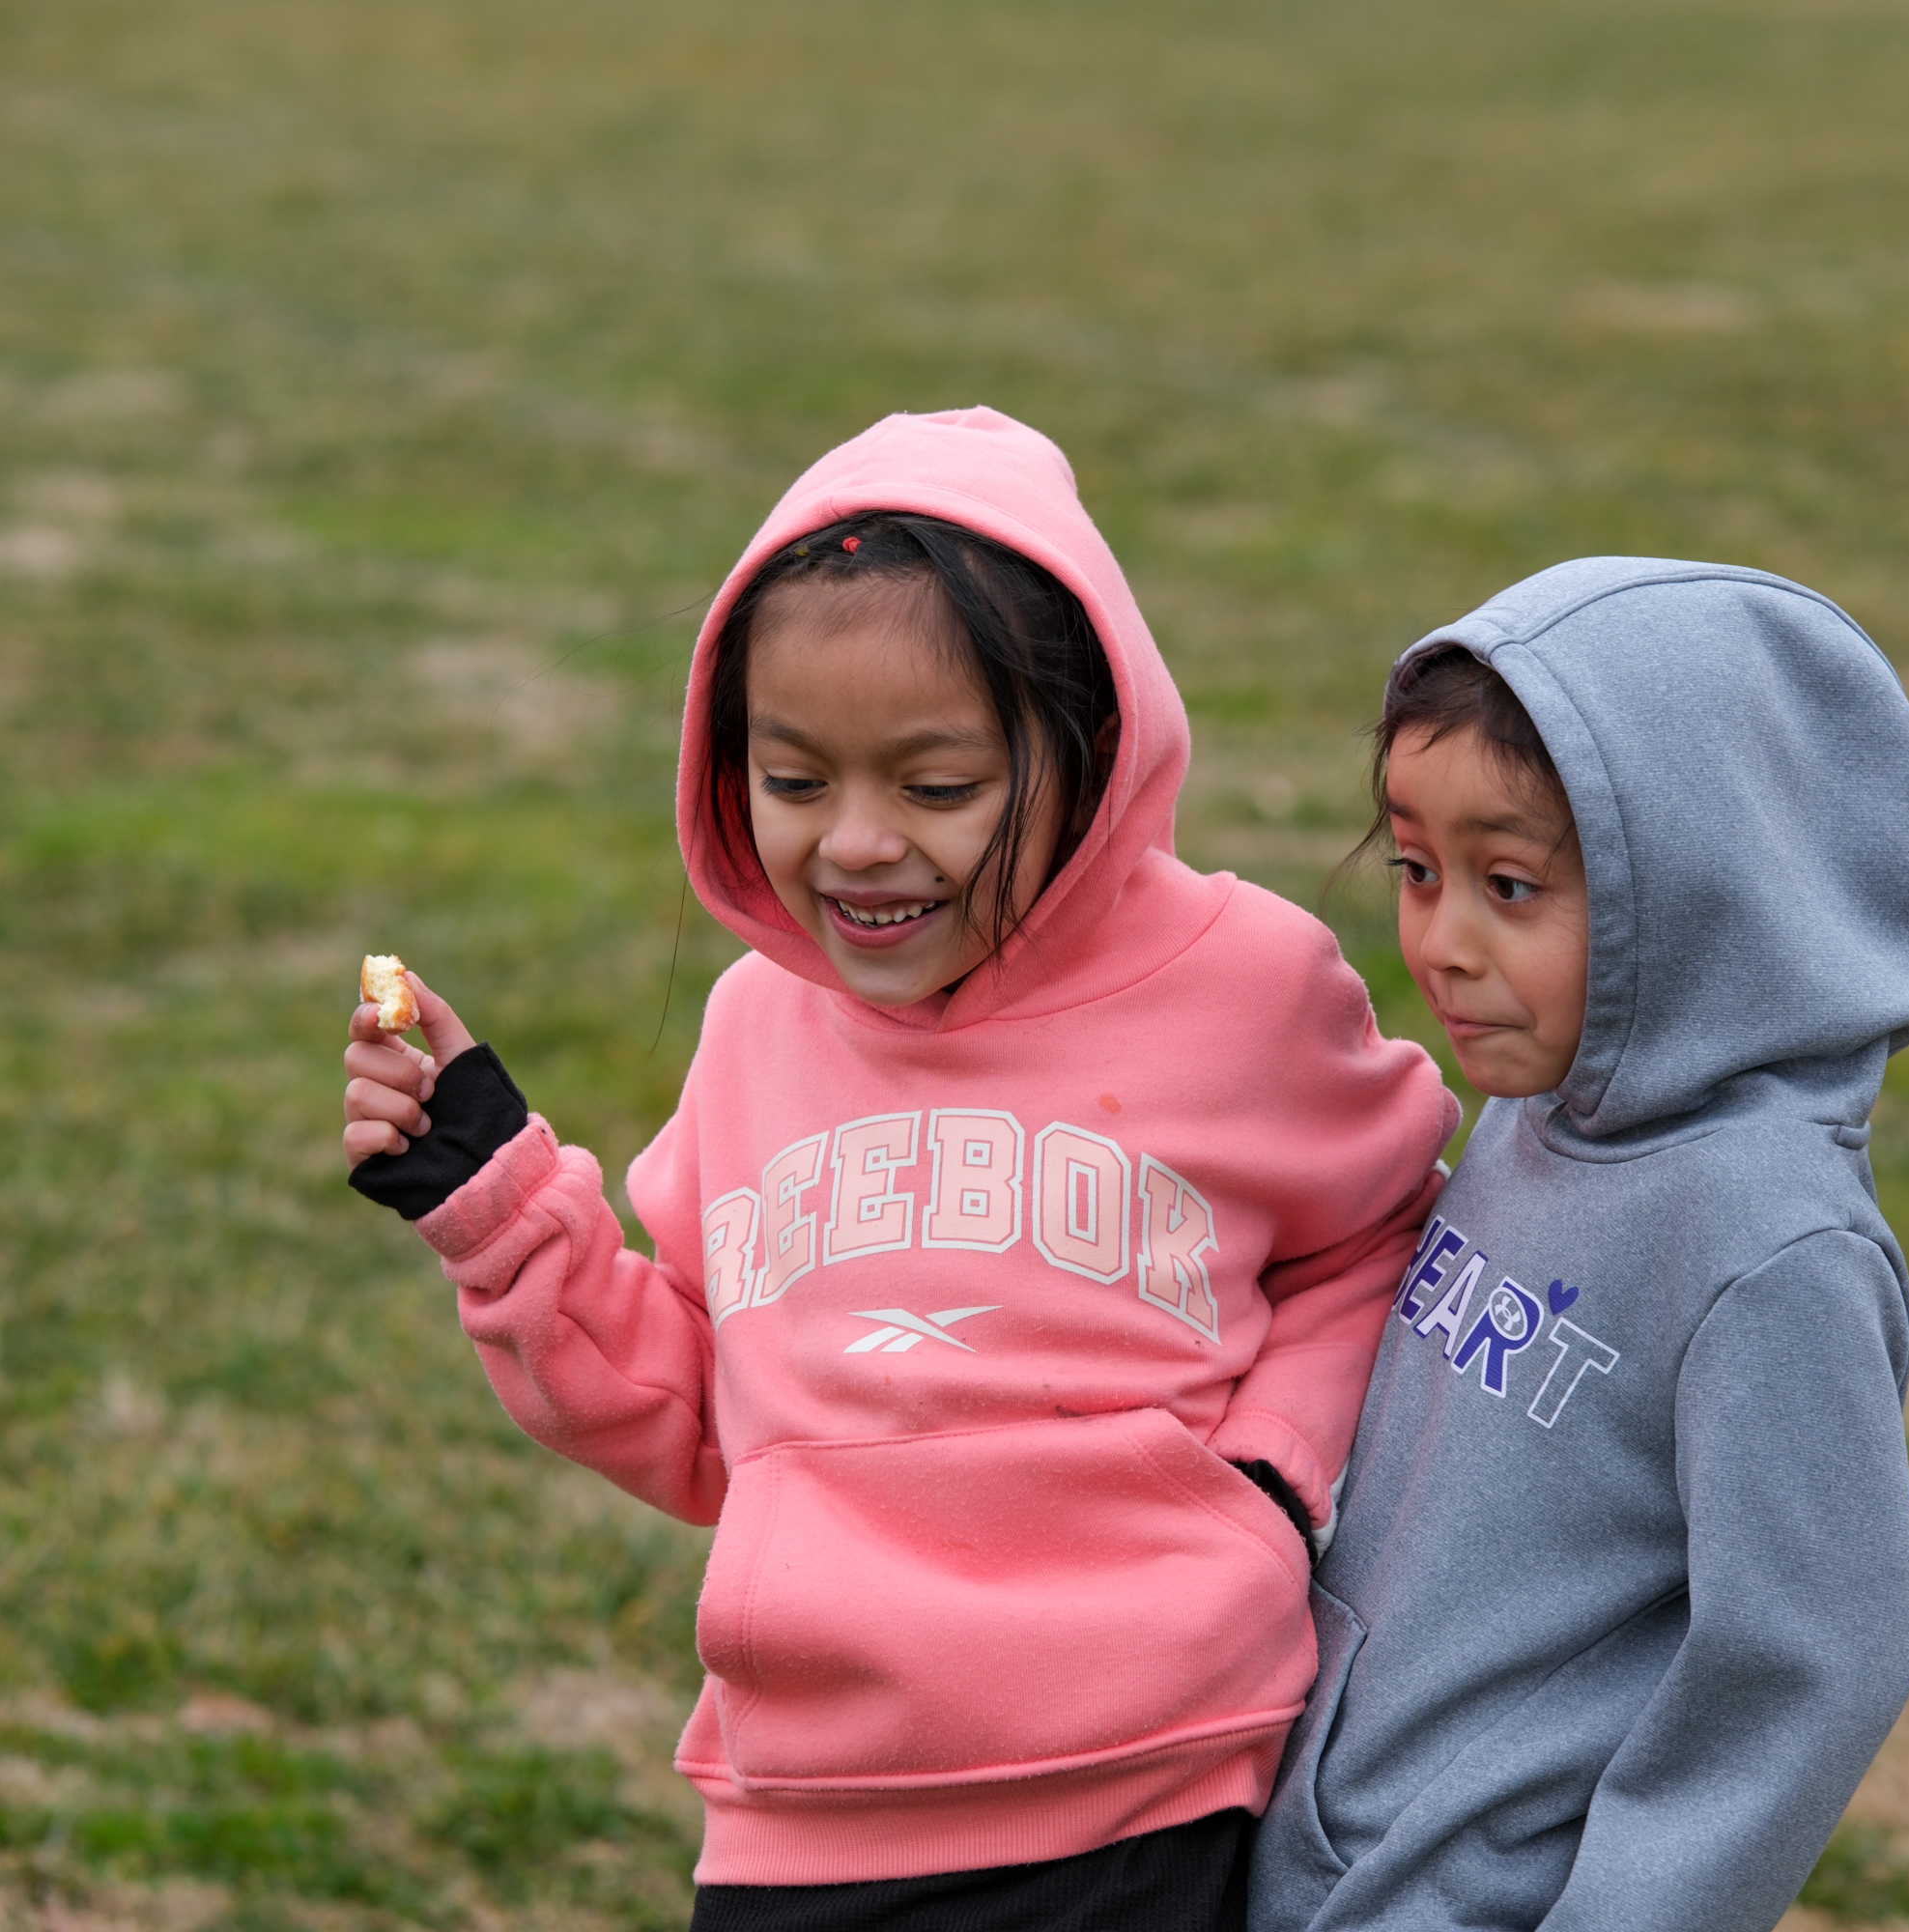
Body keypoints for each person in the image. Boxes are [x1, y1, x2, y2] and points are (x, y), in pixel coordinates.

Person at [338, 409, 1457, 1930]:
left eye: (937, 789)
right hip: (803, 1807)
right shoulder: (754, 1028)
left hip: (1144, 1775)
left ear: (1091, 755)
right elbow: (700, 1414)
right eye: (796, 783)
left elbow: (1383, 1240)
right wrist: (498, 1205)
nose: (859, 845)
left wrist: (1267, 1473)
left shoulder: (1250, 987)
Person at [1247, 560, 1909, 1932]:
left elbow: (1813, 1668)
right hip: (1317, 1851)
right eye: (1416, 871)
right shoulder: (1539, 1107)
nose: (1442, 944)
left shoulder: (1773, 1248)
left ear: (1702, 891)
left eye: (1511, 885)